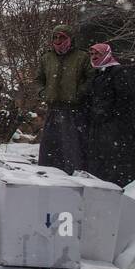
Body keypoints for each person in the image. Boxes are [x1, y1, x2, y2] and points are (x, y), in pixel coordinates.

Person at [35, 24, 94, 172]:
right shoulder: (47, 58)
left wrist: (78, 93)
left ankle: (72, 174)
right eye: (55, 37)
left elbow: (91, 78)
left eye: (62, 37)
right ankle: (49, 173)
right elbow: (38, 80)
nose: (58, 40)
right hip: (53, 108)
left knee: (72, 147)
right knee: (50, 146)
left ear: (70, 38)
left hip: (74, 110)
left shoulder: (82, 57)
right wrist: (43, 92)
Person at [84, 42, 135, 185]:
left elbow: (124, 98)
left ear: (106, 54)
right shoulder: (97, 73)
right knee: (98, 160)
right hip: (98, 125)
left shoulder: (117, 71)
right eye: (92, 54)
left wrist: (107, 113)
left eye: (97, 54)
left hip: (114, 127)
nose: (93, 57)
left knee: (113, 161)